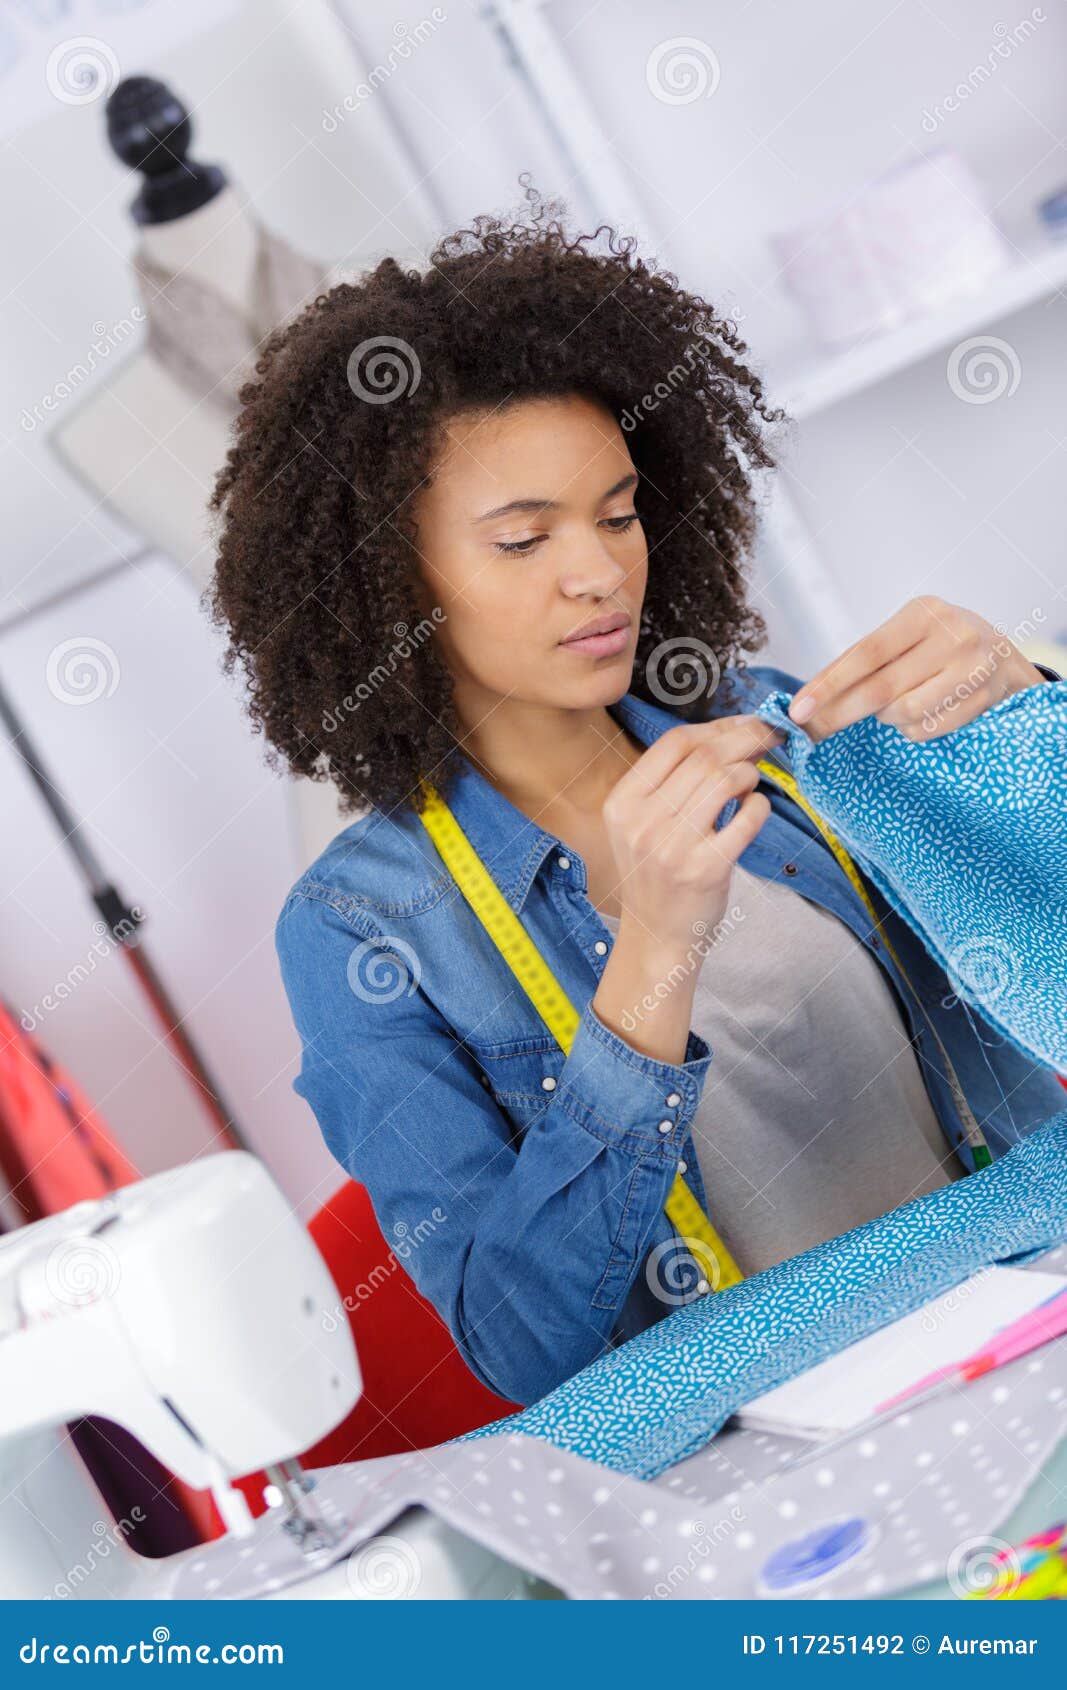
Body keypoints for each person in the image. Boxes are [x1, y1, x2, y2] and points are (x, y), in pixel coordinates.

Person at [206, 195, 1064, 1409]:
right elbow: (520, 1344)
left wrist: (1030, 712)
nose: (599, 571)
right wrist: (651, 957)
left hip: (1022, 1328)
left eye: (616, 513)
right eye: (521, 541)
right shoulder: (362, 931)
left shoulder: (776, 730)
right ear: (388, 578)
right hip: (775, 1450)